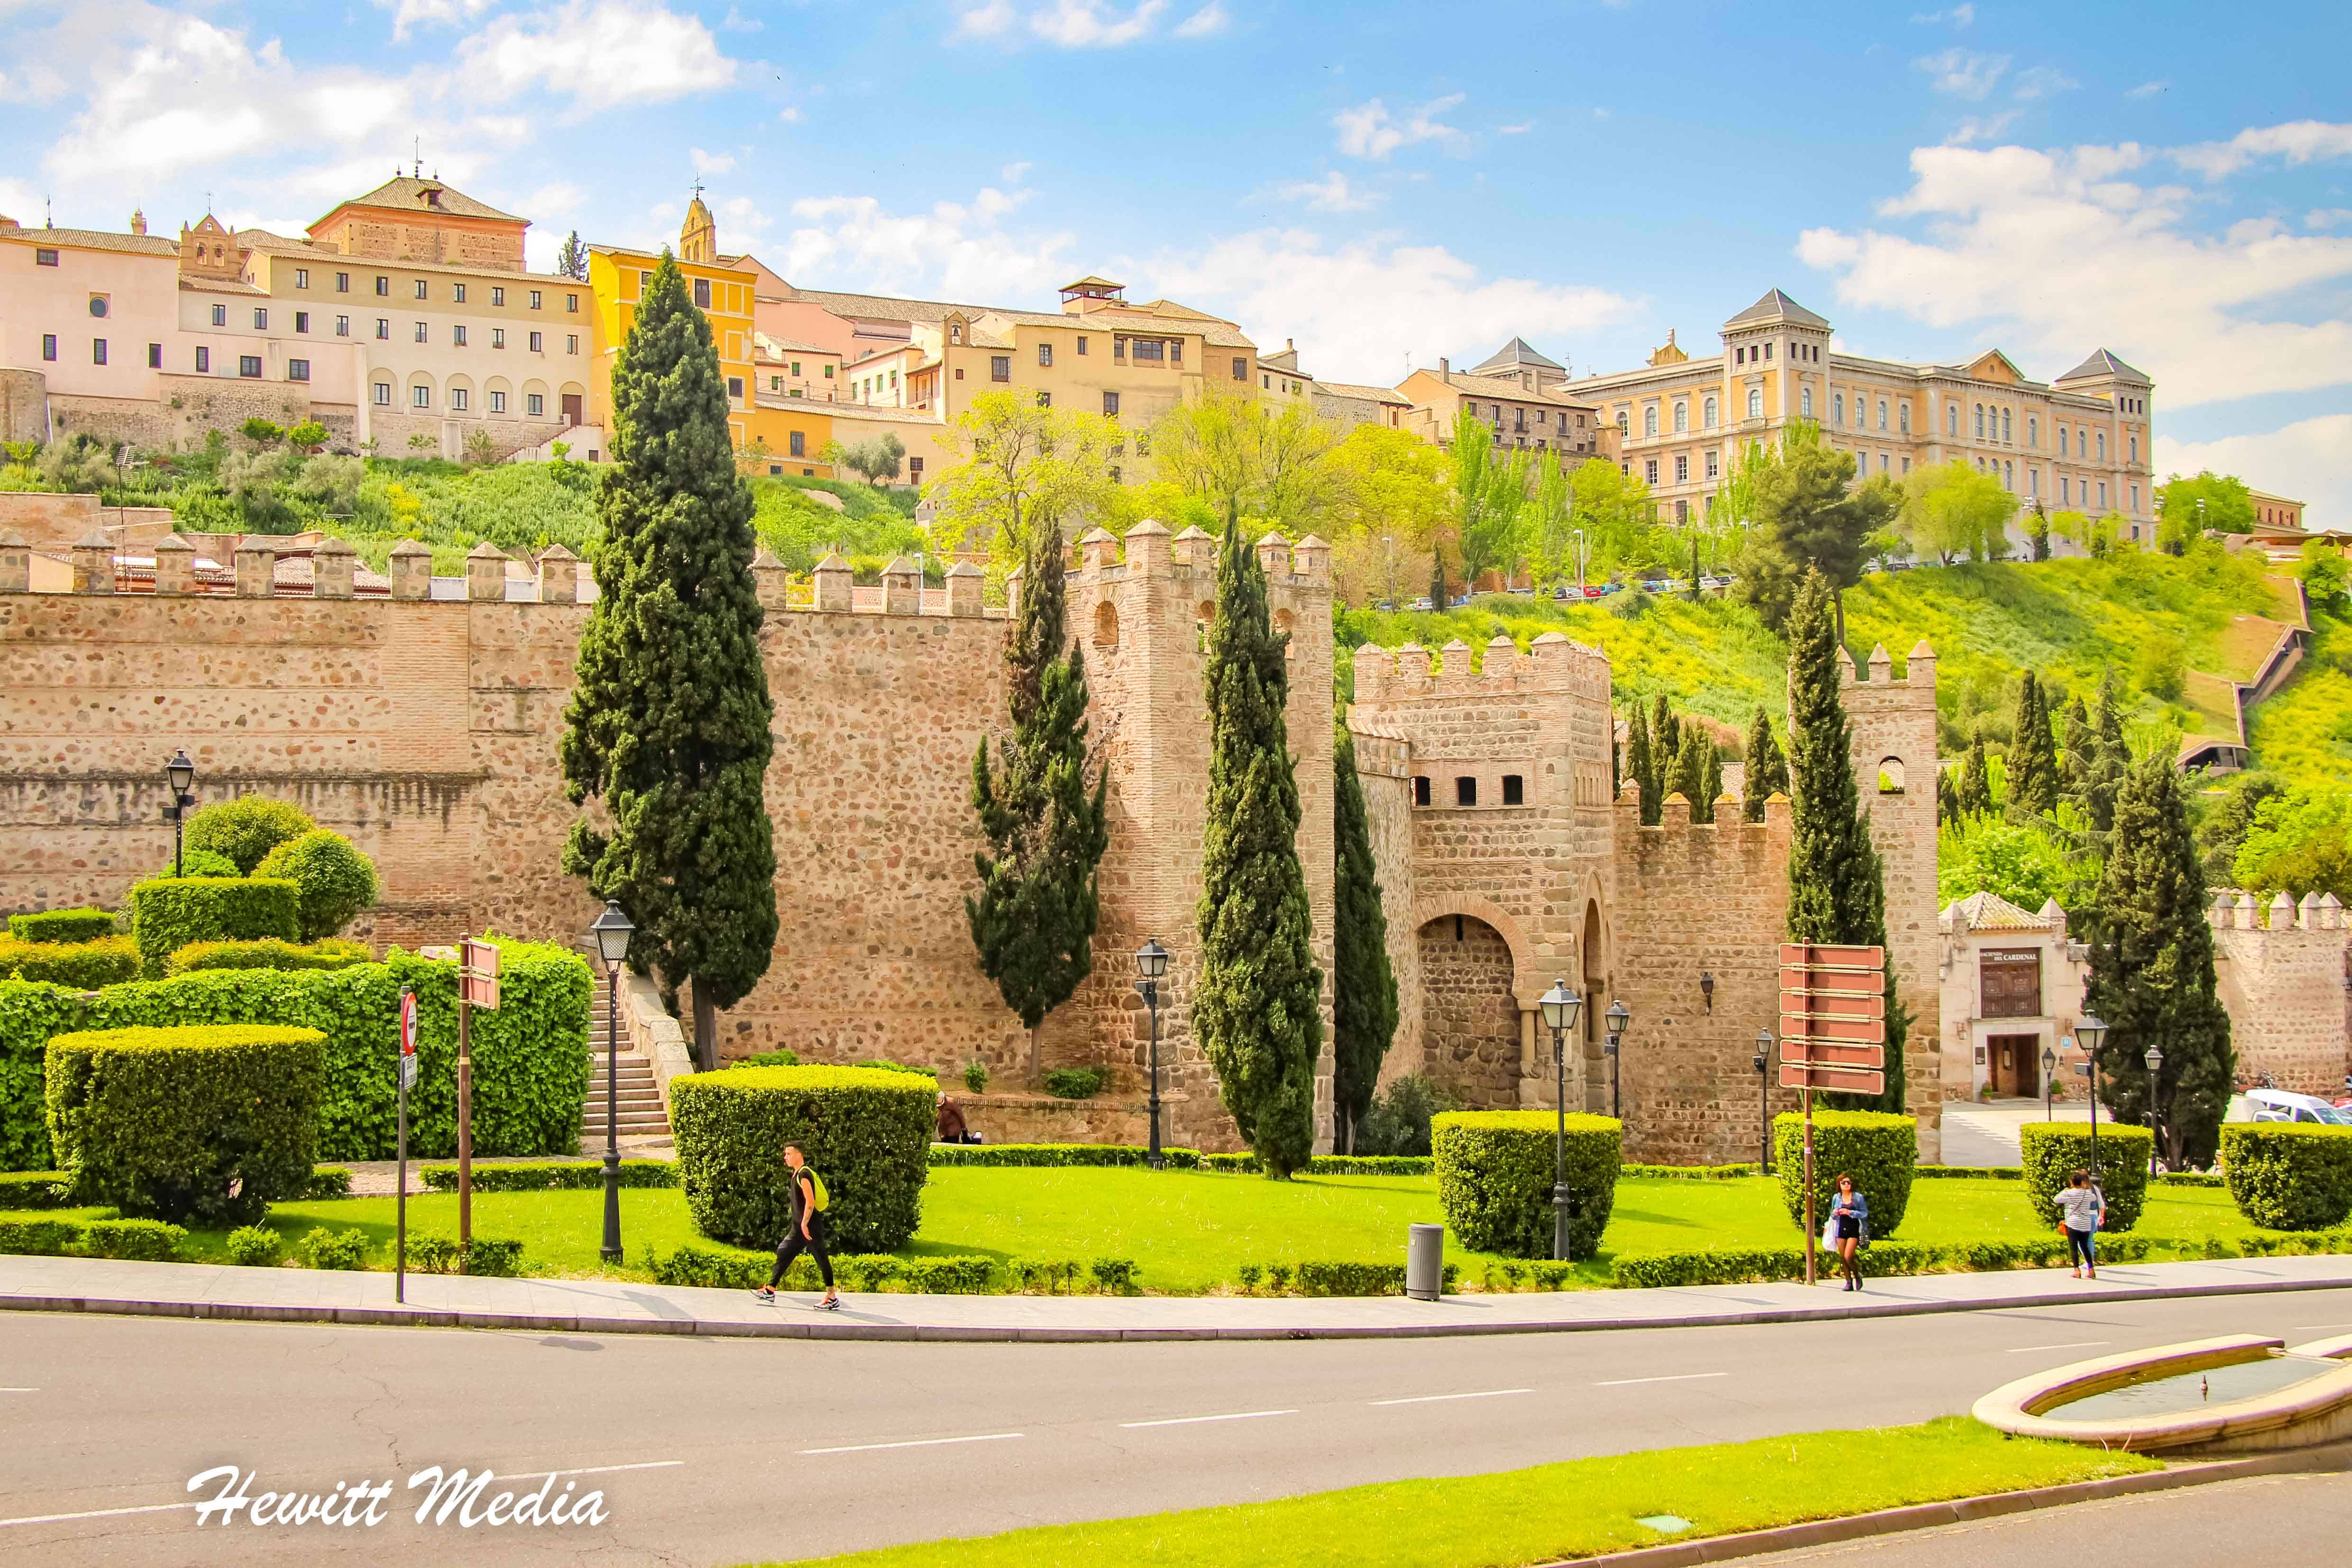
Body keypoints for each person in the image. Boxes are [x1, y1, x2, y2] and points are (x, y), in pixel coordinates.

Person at [754, 1144, 839, 1310]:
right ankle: (770, 1290)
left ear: (799, 1155)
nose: (785, 1157)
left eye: (788, 1154)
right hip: (800, 1228)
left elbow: (811, 1201)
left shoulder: (804, 1175)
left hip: (809, 1227)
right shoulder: (797, 1174)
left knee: (822, 1259)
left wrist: (805, 1224)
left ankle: (832, 1298)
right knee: (784, 1251)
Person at [2056, 1167, 2105, 1279]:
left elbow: (2056, 1199)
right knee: (2085, 1246)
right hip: (2085, 1224)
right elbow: (2094, 1198)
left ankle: (2077, 1271)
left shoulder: (2069, 1193)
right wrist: (2084, 1189)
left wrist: (2065, 1190)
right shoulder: (2087, 1193)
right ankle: (2091, 1269)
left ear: (2072, 1182)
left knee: (2073, 1248)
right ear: (2082, 1182)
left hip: (2073, 1224)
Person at [1828, 1174, 1868, 1292]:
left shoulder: (1858, 1197)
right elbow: (1832, 1214)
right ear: (1839, 1184)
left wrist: (1850, 1213)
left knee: (1848, 1257)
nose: (1846, 1185)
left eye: (1848, 1183)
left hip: (1854, 1229)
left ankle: (1857, 1275)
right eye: (1843, 1183)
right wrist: (1835, 1213)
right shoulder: (1837, 1197)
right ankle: (1848, 1282)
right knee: (1843, 1258)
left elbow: (1864, 1213)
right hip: (1841, 1229)